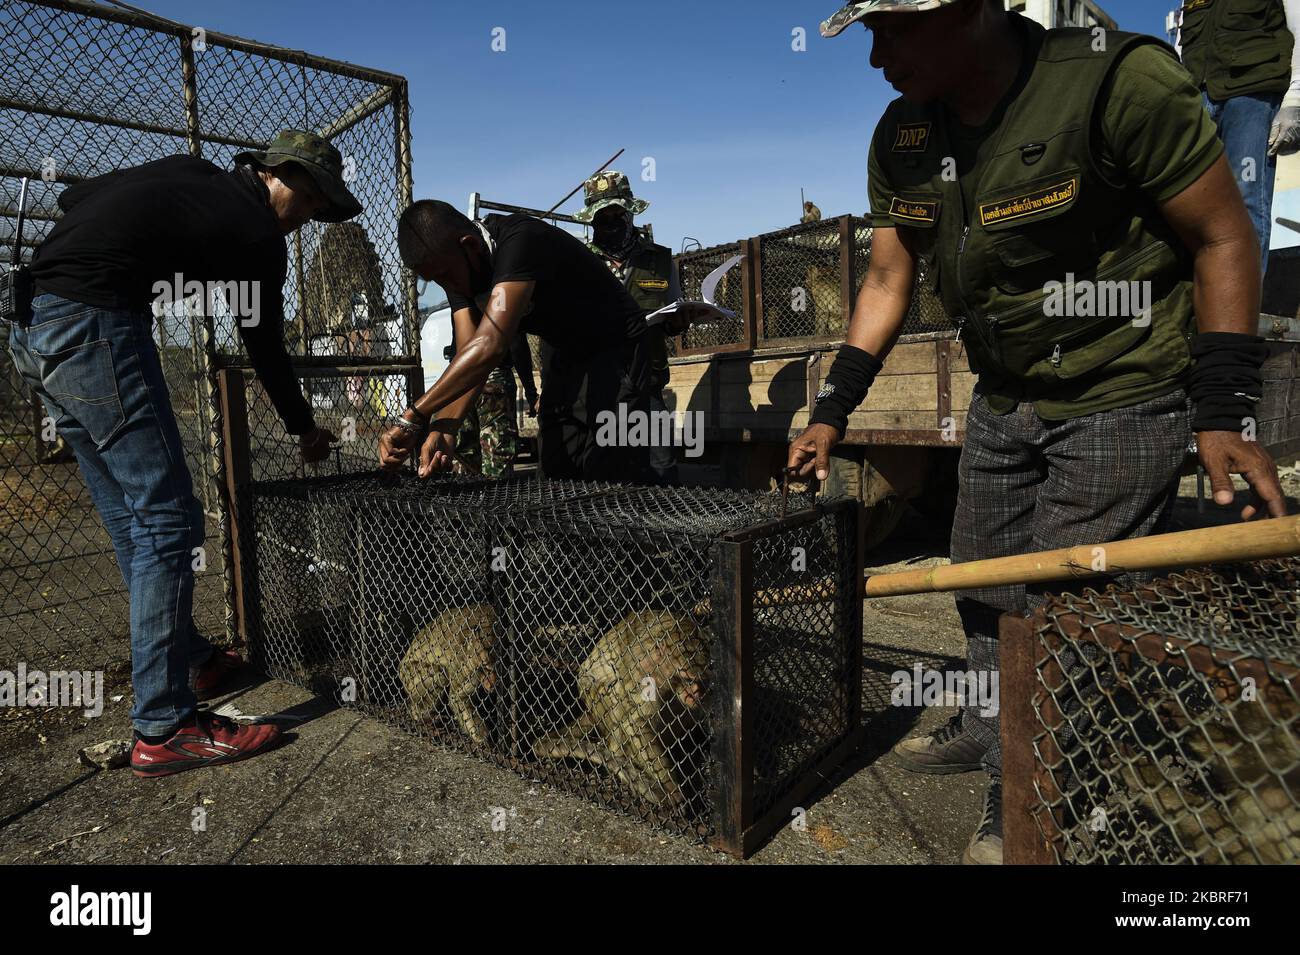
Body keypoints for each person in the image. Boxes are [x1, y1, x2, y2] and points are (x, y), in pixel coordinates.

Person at [792, 0, 1287, 864]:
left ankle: (1037, 783)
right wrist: (832, 409)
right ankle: (991, 726)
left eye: (894, 31)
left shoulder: (1114, 82)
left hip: (1123, 388)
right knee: (982, 579)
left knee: (1065, 611)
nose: (877, 60)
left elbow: (1222, 235)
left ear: (977, 11)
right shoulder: (904, 137)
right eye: (870, 34)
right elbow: (885, 278)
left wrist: (1222, 410)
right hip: (1006, 393)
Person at [9, 129, 357, 777]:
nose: (305, 219)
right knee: (170, 522)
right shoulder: (257, 233)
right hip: (94, 322)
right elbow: (264, 345)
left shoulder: (190, 169)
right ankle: (165, 726)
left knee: (134, 518)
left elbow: (77, 196)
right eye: (307, 201)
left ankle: (191, 659)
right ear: (275, 173)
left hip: (31, 325)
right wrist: (305, 427)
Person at [379, 200, 654, 483]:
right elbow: (468, 357)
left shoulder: (520, 239)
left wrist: (413, 416)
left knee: (612, 468)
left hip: (616, 344)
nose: (446, 286)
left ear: (470, 245)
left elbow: (490, 345)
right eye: (435, 280)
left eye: (445, 276)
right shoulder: (458, 272)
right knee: (557, 469)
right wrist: (444, 426)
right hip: (564, 351)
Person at [573, 171, 681, 485]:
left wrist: (679, 321)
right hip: (598, 389)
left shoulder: (659, 260)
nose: (610, 223)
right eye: (601, 218)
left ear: (630, 214)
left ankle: (668, 534)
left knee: (662, 470)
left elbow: (671, 314)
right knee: (608, 473)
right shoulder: (579, 261)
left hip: (648, 384)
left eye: (616, 215)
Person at [1179, 0, 1300, 275]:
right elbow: (1180, 45)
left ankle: (1242, 310)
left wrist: (1295, 97)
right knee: (1189, 205)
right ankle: (1196, 307)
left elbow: (1299, 25)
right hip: (1195, 98)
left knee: (1246, 199)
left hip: (1252, 95)